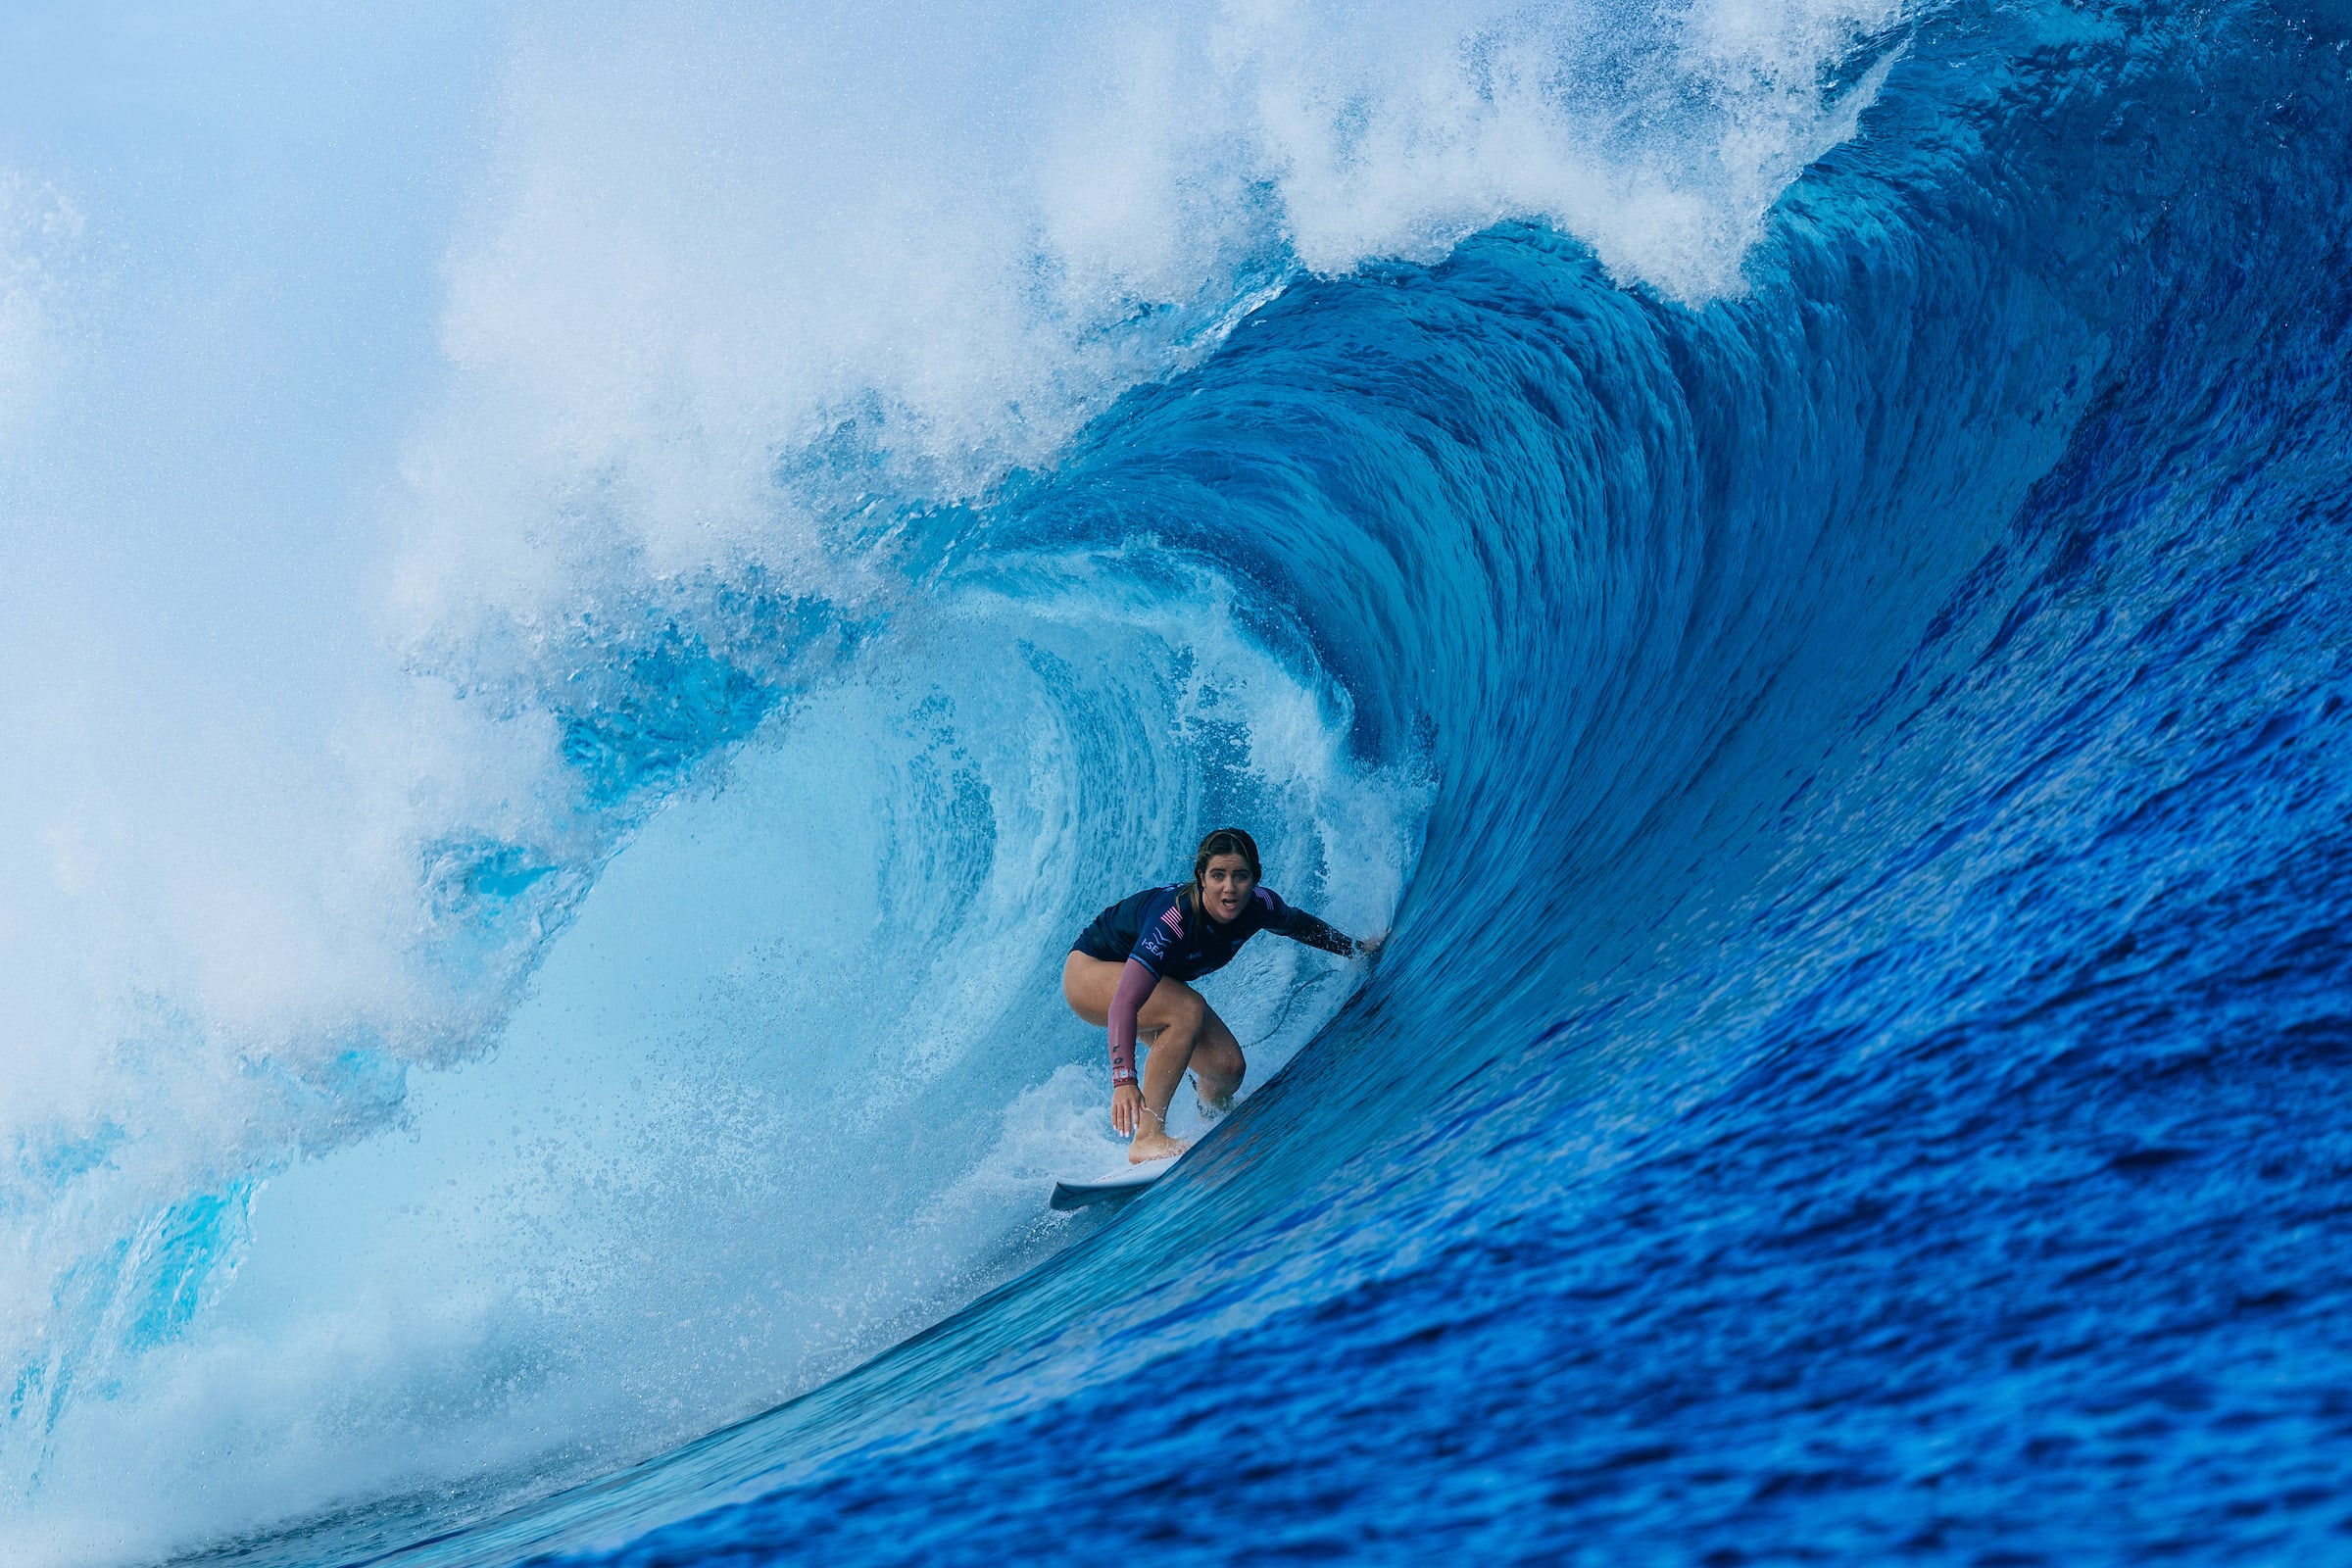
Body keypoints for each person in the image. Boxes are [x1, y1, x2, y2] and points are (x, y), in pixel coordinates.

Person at [1062, 826, 1382, 1163]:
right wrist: (1123, 1080)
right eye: (1218, 875)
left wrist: (1357, 950)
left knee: (1228, 1068)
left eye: (1240, 876)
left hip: (1145, 986)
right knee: (1186, 1010)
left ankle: (1212, 1115)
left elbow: (1299, 925)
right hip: (1091, 972)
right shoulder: (1173, 921)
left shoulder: (1262, 906)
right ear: (1201, 877)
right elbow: (1125, 1002)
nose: (1229, 888)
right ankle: (1147, 1138)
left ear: (1255, 878)